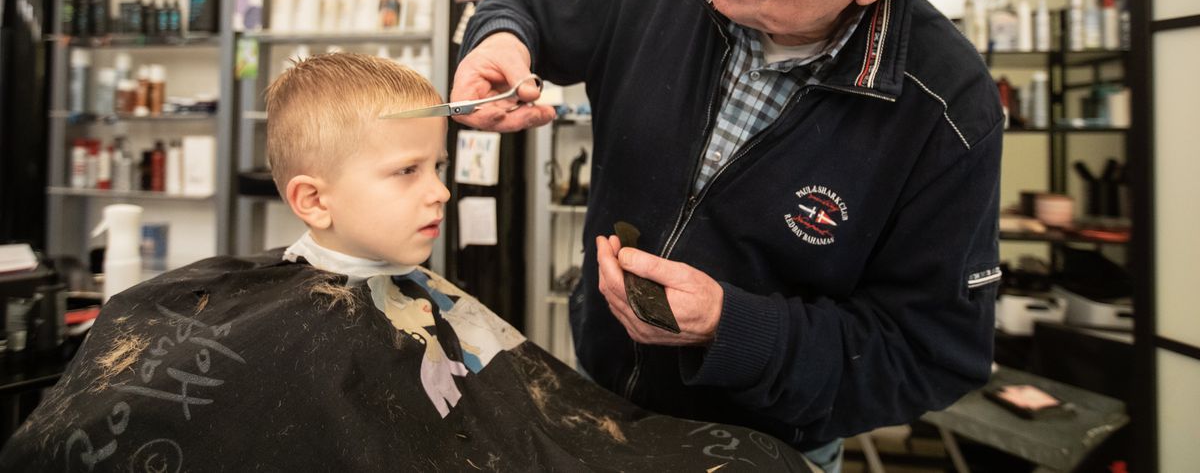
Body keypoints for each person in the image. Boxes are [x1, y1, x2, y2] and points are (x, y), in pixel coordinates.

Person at [450, 0, 1009, 470]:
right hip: (598, 395)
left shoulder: (948, 111)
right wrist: (498, 42)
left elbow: (929, 355)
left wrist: (732, 329)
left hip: (765, 449)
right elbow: (526, 5)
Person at [0, 53, 815, 471]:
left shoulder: (406, 290)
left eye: (436, 166)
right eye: (406, 172)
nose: (441, 193)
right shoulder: (281, 336)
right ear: (313, 201)